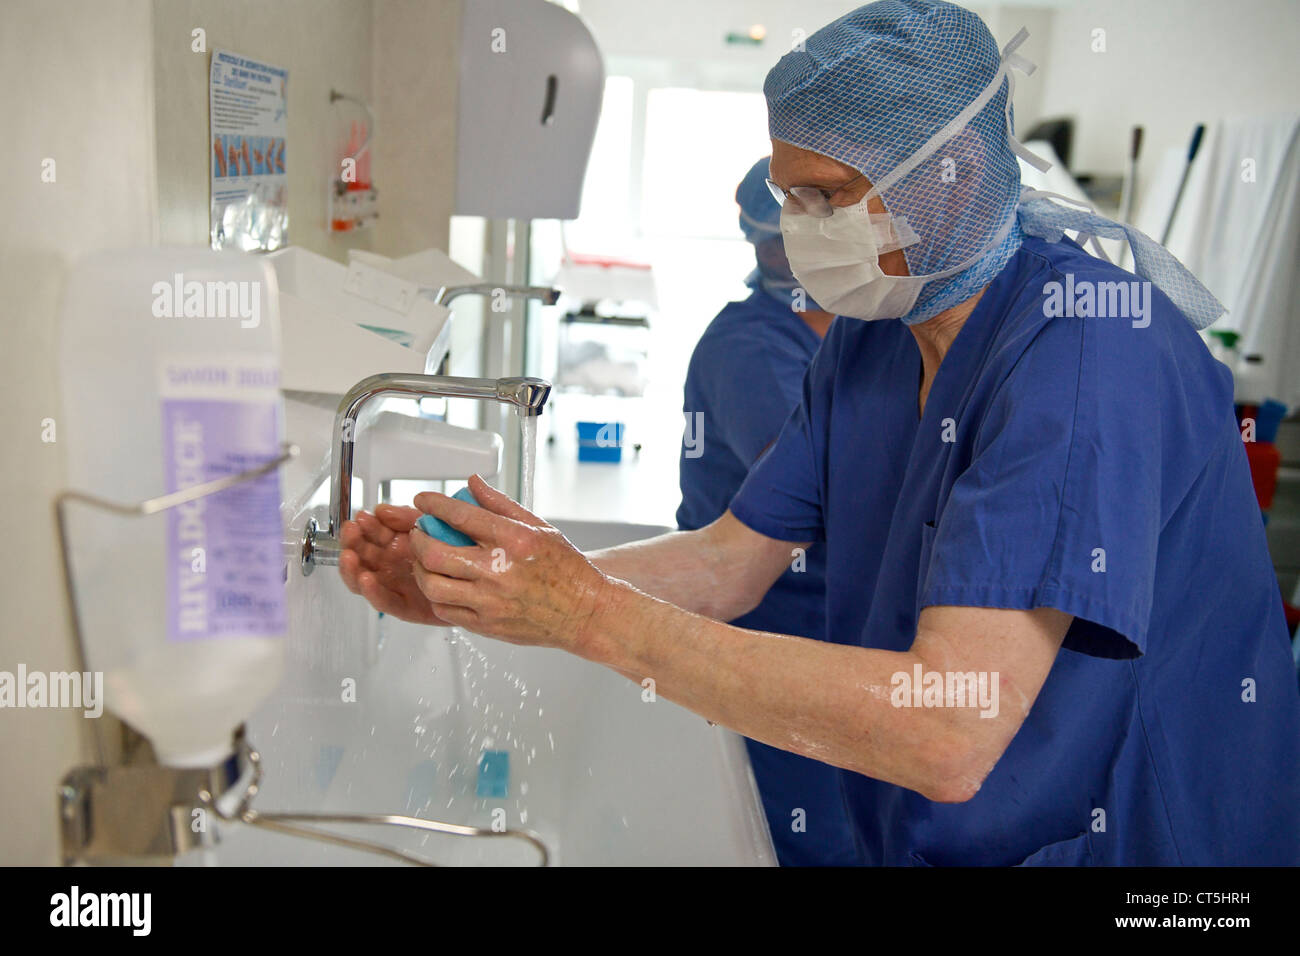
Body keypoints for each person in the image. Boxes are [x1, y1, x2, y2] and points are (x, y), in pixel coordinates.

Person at [339, 0, 1300, 865]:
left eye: (826, 198)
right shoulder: (872, 340)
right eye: (788, 196)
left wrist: (586, 615)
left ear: (953, 180)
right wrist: (501, 586)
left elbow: (952, 728)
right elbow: (728, 562)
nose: (798, 229)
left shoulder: (1087, 355)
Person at [676, 157, 858, 865]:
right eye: (795, 230)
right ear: (762, 242)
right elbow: (812, 488)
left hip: (834, 629)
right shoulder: (750, 344)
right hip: (768, 627)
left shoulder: (856, 331)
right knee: (807, 834)